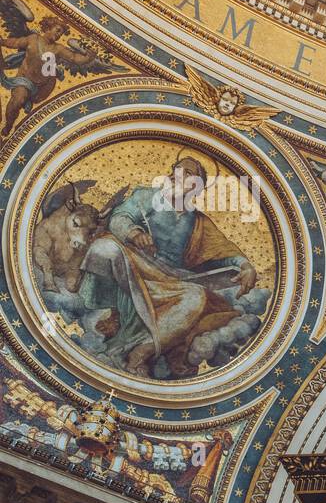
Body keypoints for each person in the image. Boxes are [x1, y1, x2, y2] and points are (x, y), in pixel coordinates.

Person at [78, 157, 259, 377]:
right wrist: (134, 233)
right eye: (175, 171)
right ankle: (114, 312)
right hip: (135, 264)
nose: (175, 175)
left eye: (185, 173)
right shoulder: (146, 197)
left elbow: (224, 252)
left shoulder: (198, 222)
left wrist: (245, 266)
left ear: (197, 186)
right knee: (103, 248)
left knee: (195, 297)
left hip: (171, 280)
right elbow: (120, 218)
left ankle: (142, 351)